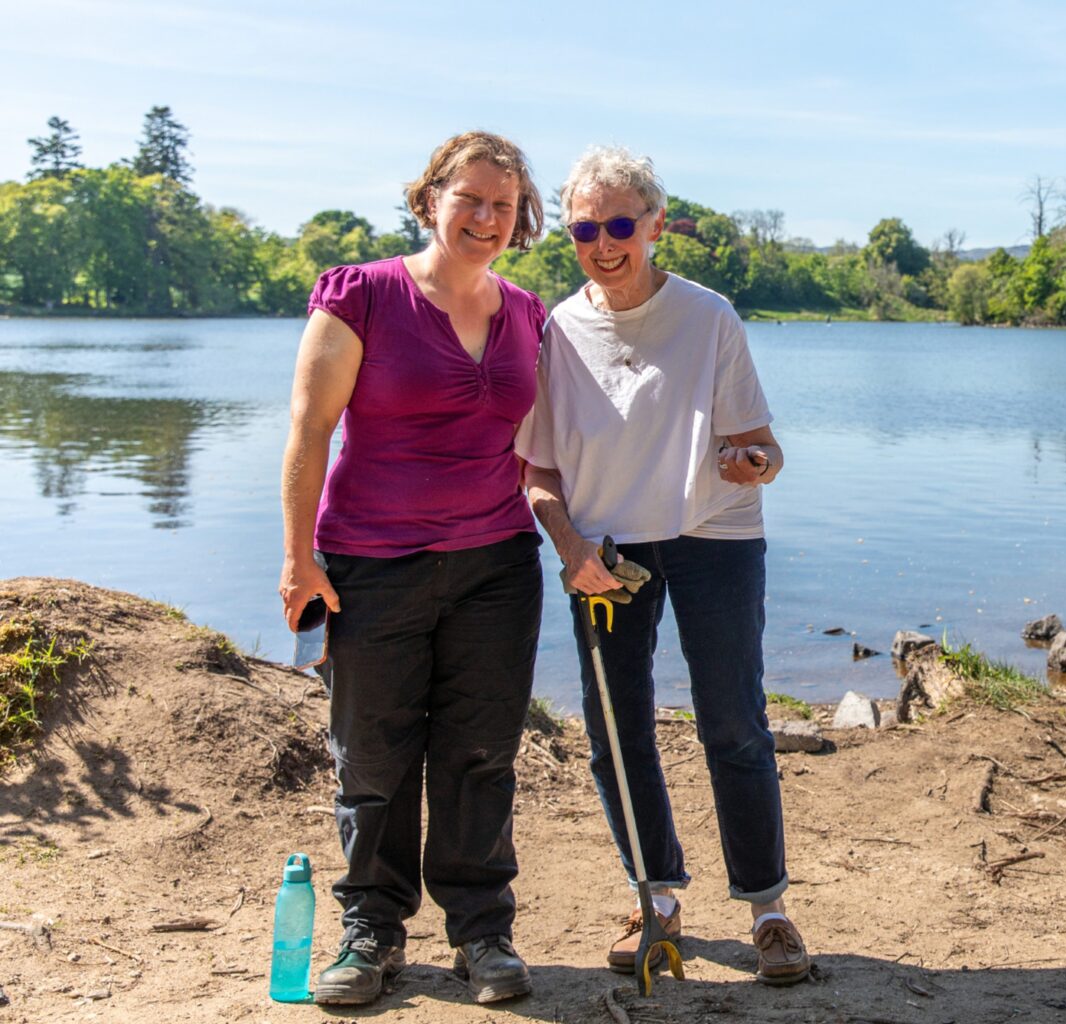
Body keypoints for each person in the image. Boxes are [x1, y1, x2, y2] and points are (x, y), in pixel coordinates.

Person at [518, 145, 812, 986]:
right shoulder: (555, 331)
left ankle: (768, 910)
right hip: (605, 551)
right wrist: (570, 550)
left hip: (716, 535)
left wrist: (753, 465)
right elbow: (537, 471)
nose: (604, 244)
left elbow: (763, 447)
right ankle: (656, 899)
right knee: (617, 732)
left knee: (733, 722)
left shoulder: (709, 316)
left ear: (654, 225)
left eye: (620, 225)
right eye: (585, 230)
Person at [277, 131, 547, 1006]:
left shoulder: (528, 313)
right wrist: (298, 558)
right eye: (469, 198)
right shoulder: (361, 295)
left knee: (481, 754)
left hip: (497, 566)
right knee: (372, 755)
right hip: (372, 564)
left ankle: (482, 932)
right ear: (431, 199)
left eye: (503, 204)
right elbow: (310, 430)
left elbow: (547, 442)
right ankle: (372, 931)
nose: (486, 217)